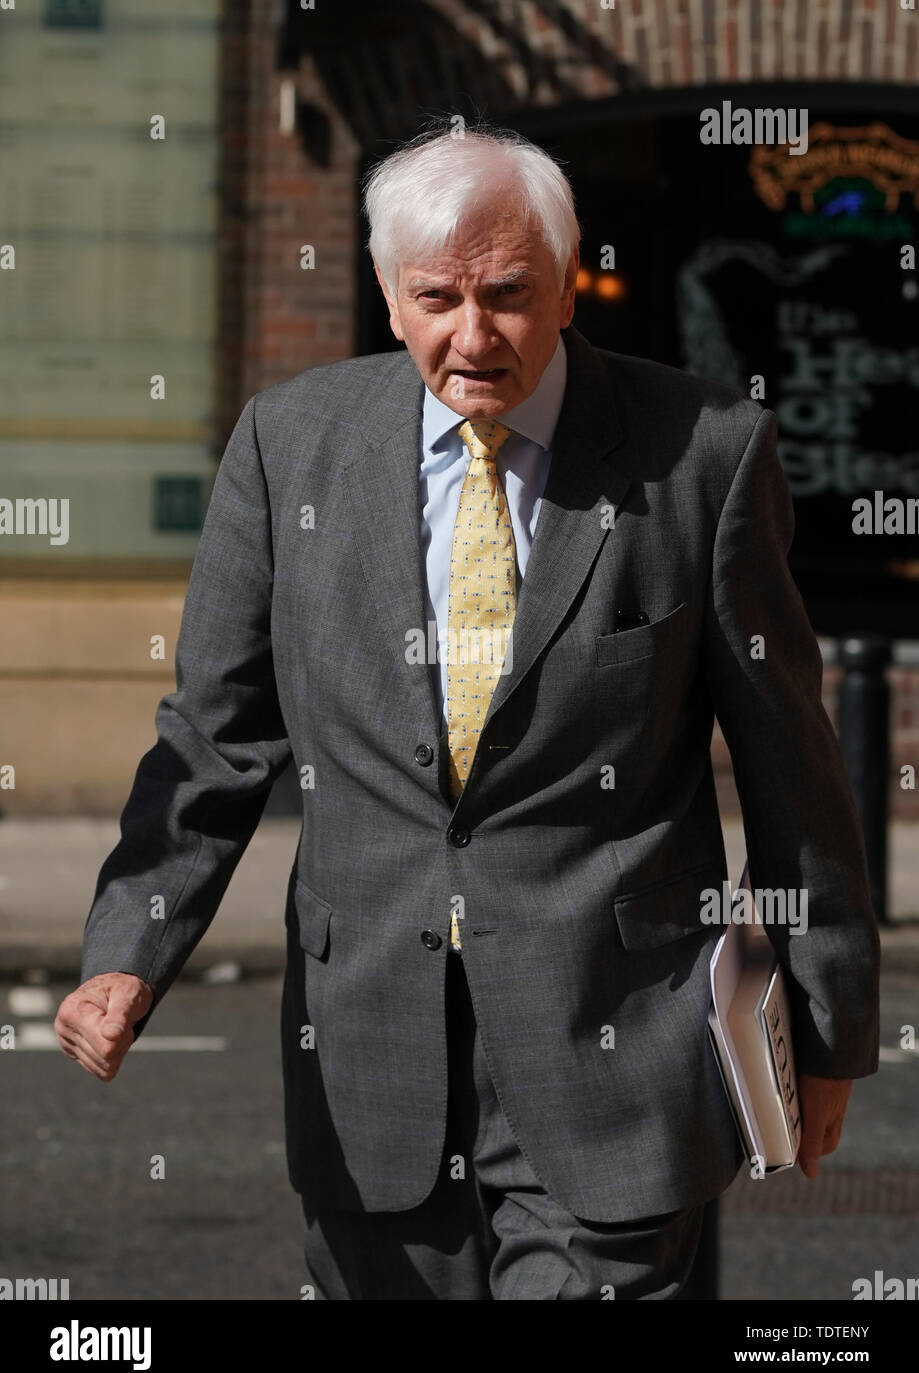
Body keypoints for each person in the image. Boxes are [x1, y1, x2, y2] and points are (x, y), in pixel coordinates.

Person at [54, 123, 880, 1300]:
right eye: (436, 297)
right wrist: (127, 953)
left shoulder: (701, 454)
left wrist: (830, 1020)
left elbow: (792, 761)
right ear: (389, 296)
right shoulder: (287, 450)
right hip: (371, 1072)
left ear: (568, 278)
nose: (472, 334)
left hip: (617, 1058)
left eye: (507, 294)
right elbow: (214, 738)